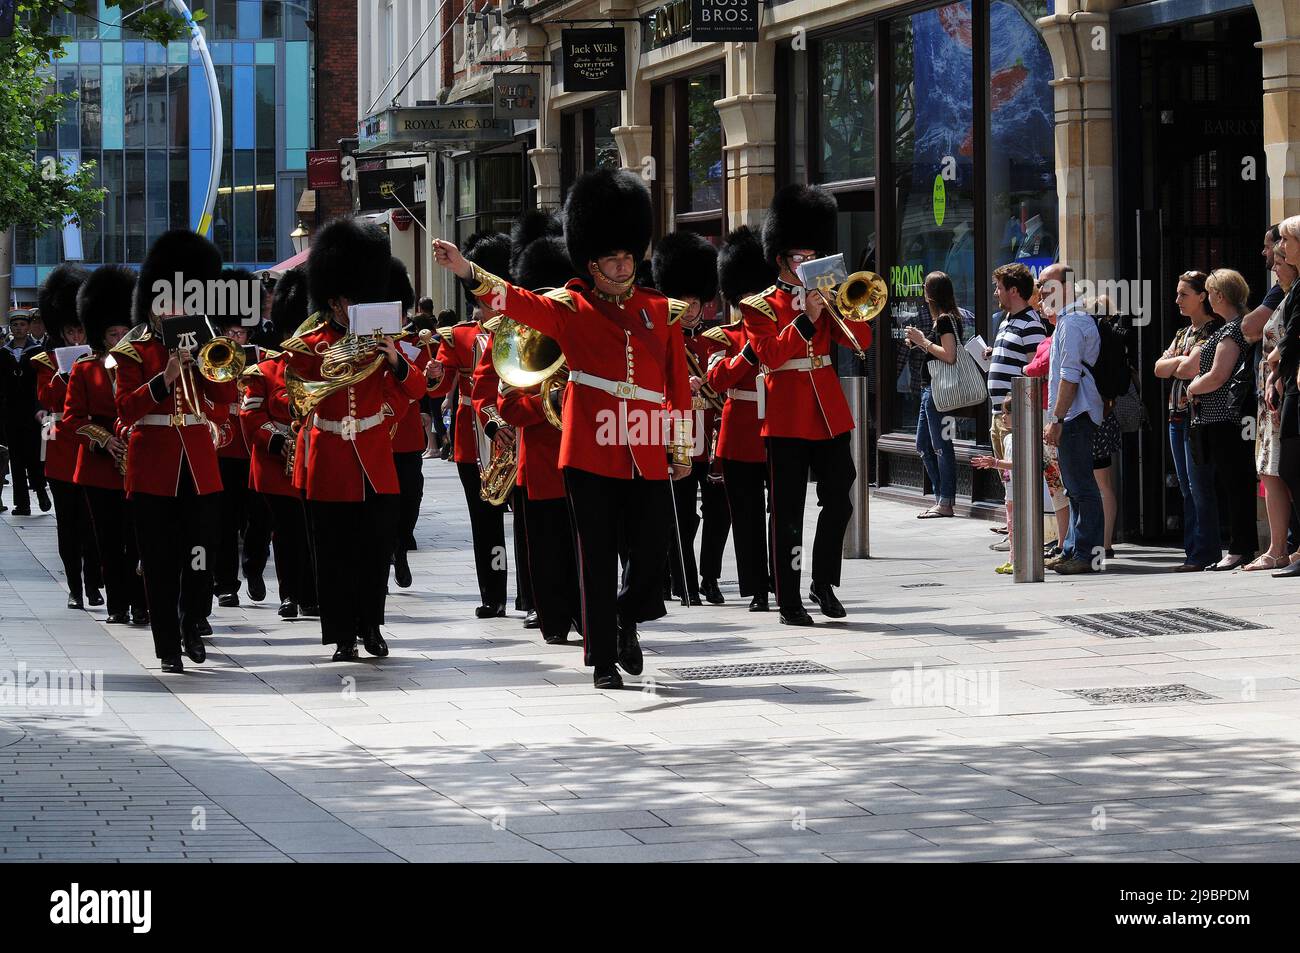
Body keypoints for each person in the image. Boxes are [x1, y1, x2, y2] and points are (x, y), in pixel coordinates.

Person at [433, 167, 694, 690]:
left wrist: (682, 446)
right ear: (592, 263)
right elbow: (514, 300)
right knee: (595, 556)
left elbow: (677, 386)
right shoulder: (570, 307)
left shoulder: (661, 312)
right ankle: (602, 658)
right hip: (588, 448)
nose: (624, 267)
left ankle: (626, 616)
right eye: (613, 259)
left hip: (644, 441)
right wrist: (467, 271)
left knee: (652, 553)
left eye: (629, 256)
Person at [280, 217, 426, 662]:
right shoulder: (309, 344)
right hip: (329, 459)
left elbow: (415, 391)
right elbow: (292, 395)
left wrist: (395, 362)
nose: (348, 306)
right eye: (342, 300)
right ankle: (342, 635)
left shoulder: (382, 340)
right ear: (331, 301)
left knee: (374, 552)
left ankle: (371, 627)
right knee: (334, 555)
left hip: (374, 458)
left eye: (353, 298)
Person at [741, 183, 874, 624]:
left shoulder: (827, 295)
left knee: (841, 496)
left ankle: (823, 581)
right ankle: (788, 596)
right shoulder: (758, 305)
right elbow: (770, 355)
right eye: (800, 257)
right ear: (781, 259)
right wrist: (806, 318)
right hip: (786, 415)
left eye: (812, 256)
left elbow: (861, 342)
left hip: (828, 409)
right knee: (787, 511)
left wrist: (846, 308)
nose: (807, 264)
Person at [113, 229, 231, 673]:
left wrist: (211, 365)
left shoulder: (204, 344)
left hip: (199, 465)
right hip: (153, 468)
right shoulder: (131, 352)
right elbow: (125, 406)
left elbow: (223, 399)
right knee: (160, 561)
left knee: (201, 555)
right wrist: (164, 377)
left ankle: (192, 622)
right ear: (152, 305)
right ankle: (167, 646)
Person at [426, 233, 512, 618]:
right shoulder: (459, 335)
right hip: (472, 439)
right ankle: (493, 593)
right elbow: (442, 383)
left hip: (516, 432)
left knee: (527, 521)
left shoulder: (519, 332)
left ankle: (531, 595)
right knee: (485, 521)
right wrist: (432, 373)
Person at [65, 265, 148, 626]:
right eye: (113, 333)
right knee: (109, 540)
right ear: (102, 336)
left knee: (139, 539)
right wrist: (104, 440)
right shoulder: (84, 368)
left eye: (122, 331)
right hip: (101, 465)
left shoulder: (142, 364)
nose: (119, 338)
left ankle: (141, 602)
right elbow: (72, 418)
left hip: (140, 461)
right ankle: (117, 603)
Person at [653, 230, 729, 606]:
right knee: (680, 513)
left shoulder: (715, 340)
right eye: (682, 302)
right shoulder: (660, 338)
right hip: (678, 428)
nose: (689, 309)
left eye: (694, 302)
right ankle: (682, 580)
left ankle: (710, 577)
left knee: (718, 511)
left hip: (713, 430)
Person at [705, 226, 776, 611]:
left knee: (779, 514)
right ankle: (757, 588)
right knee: (746, 517)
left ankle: (782, 578)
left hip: (777, 429)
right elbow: (716, 380)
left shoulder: (780, 330)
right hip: (739, 434)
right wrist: (748, 352)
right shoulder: (723, 337)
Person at [32, 265, 103, 609]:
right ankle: (75, 585)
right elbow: (46, 399)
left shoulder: (102, 361)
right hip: (60, 442)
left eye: (81, 330)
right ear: (62, 331)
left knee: (93, 524)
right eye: (71, 331)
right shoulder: (46, 361)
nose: (77, 337)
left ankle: (93, 584)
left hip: (90, 444)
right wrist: (66, 373)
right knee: (68, 525)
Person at [1185, 268, 1259, 571]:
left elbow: (1218, 375)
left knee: (1235, 482)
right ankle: (1242, 546)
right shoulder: (1231, 327)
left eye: (1211, 290)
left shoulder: (1231, 331)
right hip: (1222, 418)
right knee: (1233, 482)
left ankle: (1240, 548)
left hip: (1227, 418)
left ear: (1219, 295)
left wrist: (1192, 387)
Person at [1154, 271, 1223, 572]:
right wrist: (1178, 364)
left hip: (1199, 416)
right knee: (1186, 487)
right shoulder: (1184, 333)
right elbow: (1159, 368)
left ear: (1202, 296)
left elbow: (1189, 368)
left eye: (1184, 294)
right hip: (1176, 416)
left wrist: (1178, 364)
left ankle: (1205, 551)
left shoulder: (1212, 330)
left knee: (1199, 486)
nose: (1177, 300)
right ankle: (1193, 550)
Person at [1043, 262, 1105, 576]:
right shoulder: (1066, 322)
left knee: (1082, 487)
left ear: (1065, 287)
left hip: (1076, 415)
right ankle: (1073, 550)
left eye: (1046, 285)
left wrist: (1057, 418)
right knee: (1074, 487)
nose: (1040, 292)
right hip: (1073, 414)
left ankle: (1087, 555)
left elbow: (1069, 377)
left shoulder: (1073, 323)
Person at [1246, 241, 1298, 571]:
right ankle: (1278, 546)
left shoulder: (1290, 296)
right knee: (1271, 469)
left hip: (1283, 390)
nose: (1274, 265)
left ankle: (1282, 547)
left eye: (1281, 258)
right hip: (1273, 392)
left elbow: (1281, 339)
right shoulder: (1285, 295)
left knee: (1283, 468)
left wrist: (1277, 370)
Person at [211, 306, 267, 607]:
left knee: (259, 518)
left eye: (241, 333)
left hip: (253, 448)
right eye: (230, 332)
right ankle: (225, 584)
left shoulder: (259, 360)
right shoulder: (214, 356)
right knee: (225, 522)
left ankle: (254, 569)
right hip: (224, 448)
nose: (236, 337)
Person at [905, 271, 962, 519]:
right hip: (929, 390)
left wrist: (923, 341)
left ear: (930, 294)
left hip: (937, 390)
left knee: (940, 447)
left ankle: (946, 500)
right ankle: (941, 497)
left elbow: (949, 355)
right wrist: (919, 341)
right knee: (924, 445)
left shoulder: (946, 320)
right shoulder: (945, 319)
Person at [387, 257, 426, 590]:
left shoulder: (415, 347)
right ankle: (383, 553)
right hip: (377, 438)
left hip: (408, 436)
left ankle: (400, 547)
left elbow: (431, 388)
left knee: (411, 496)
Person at [1270, 216, 1300, 577]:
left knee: (1292, 465)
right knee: (1290, 465)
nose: (1282, 246)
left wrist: (1276, 358)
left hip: (1295, 385)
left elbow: (1293, 335)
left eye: (1287, 240)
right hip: (1291, 384)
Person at [1, 308, 52, 515]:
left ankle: (40, 491)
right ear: (11, 328)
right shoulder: (4, 353)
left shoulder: (39, 351)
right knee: (16, 458)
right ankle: (22, 504)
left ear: (29, 327)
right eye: (15, 325)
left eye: (23, 325)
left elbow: (45, 382)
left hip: (34, 413)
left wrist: (42, 408)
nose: (19, 328)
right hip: (11, 413)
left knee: (35, 457)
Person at [985, 263, 1047, 415]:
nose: (995, 293)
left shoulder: (1031, 324)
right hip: (1000, 413)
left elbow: (1037, 373)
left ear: (1013, 290)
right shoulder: (1006, 320)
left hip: (1018, 414)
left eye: (999, 288)